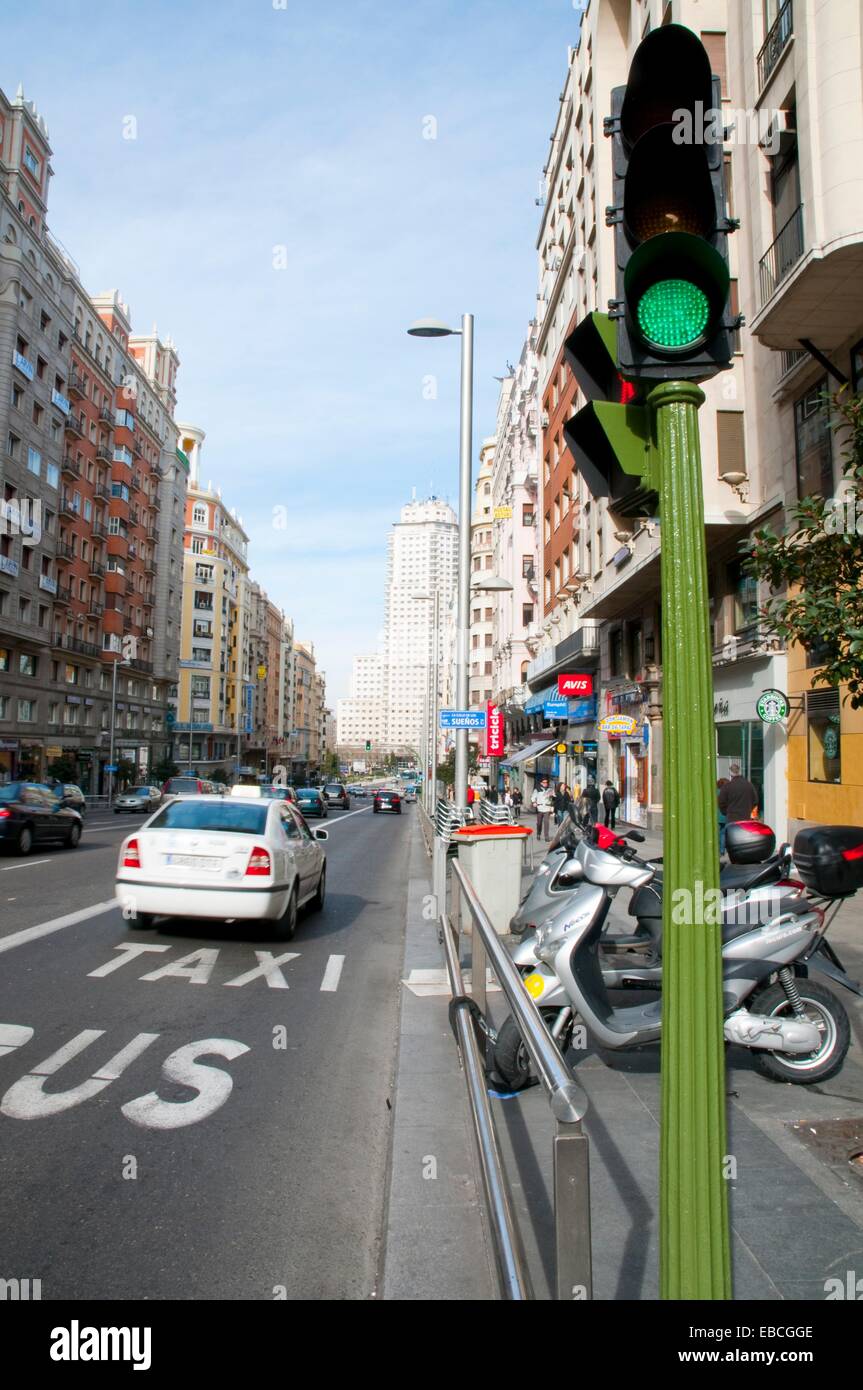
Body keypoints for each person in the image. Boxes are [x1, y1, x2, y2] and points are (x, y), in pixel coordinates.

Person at [718, 763, 758, 829]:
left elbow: (721, 802)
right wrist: (748, 810)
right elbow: (755, 800)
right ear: (739, 771)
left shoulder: (727, 786)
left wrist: (727, 812)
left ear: (730, 773)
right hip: (746, 818)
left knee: (728, 837)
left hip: (732, 819)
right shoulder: (749, 785)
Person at [531, 776, 555, 841]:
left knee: (546, 822)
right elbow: (533, 797)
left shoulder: (550, 789)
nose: (545, 783)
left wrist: (552, 796)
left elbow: (554, 798)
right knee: (539, 823)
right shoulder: (537, 789)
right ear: (541, 783)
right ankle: (538, 833)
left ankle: (546, 836)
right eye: (544, 782)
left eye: (546, 782)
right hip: (540, 808)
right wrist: (534, 802)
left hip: (547, 807)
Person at [716, 777, 729, 855]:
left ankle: (717, 849)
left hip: (717, 816)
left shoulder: (715, 792)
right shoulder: (726, 793)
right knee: (723, 834)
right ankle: (722, 850)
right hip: (725, 815)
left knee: (717, 833)